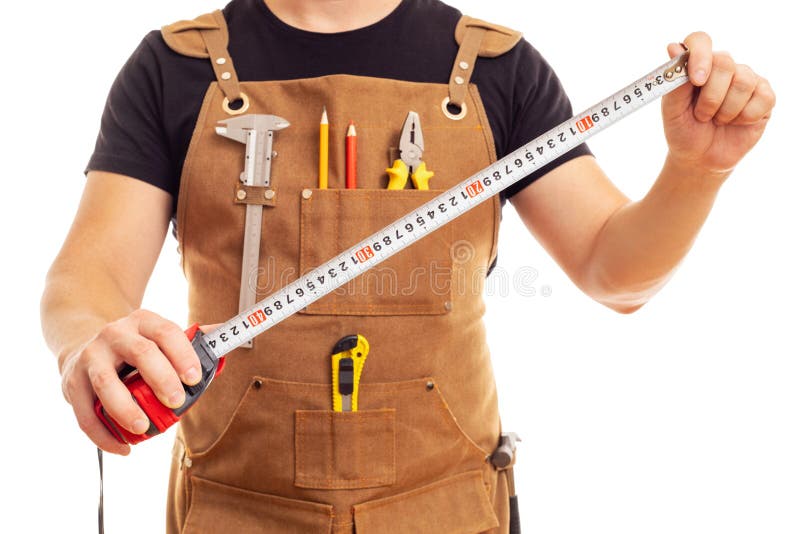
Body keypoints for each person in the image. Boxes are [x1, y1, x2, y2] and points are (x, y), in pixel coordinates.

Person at [40, 0, 774, 532]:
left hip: (451, 513)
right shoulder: (174, 66)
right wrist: (87, 341)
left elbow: (616, 274)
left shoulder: (497, 68)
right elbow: (88, 278)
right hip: (234, 514)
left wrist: (694, 172)